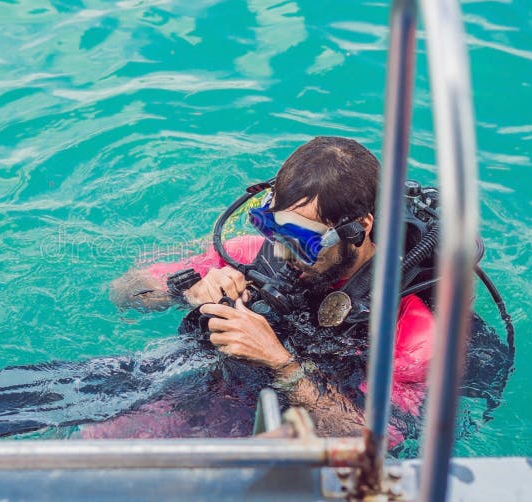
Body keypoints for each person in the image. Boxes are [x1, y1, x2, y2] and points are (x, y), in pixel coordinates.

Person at [106, 136, 435, 445]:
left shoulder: (411, 328)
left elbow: (374, 443)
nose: (280, 253)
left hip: (291, 442)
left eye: (303, 239)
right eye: (274, 228)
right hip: (202, 396)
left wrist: (280, 362)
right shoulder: (251, 253)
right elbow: (123, 291)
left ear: (359, 228)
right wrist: (187, 290)